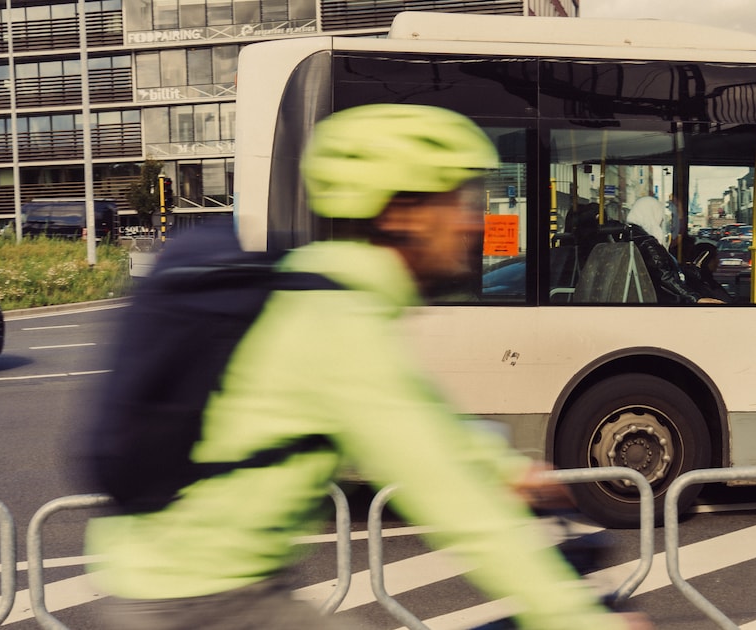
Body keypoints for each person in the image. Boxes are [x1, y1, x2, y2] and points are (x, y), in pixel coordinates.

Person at [83, 104, 650, 630]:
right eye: (458, 203)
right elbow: (450, 496)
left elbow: (425, 420)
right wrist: (576, 620)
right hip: (198, 605)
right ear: (403, 213)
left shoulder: (322, 290)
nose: (471, 223)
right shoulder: (336, 321)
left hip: (187, 588)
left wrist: (501, 466)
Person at [624, 196, 724, 304]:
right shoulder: (648, 243)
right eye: (659, 215)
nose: (661, 220)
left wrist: (690, 270)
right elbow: (664, 276)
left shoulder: (628, 236)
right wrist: (695, 298)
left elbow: (661, 267)